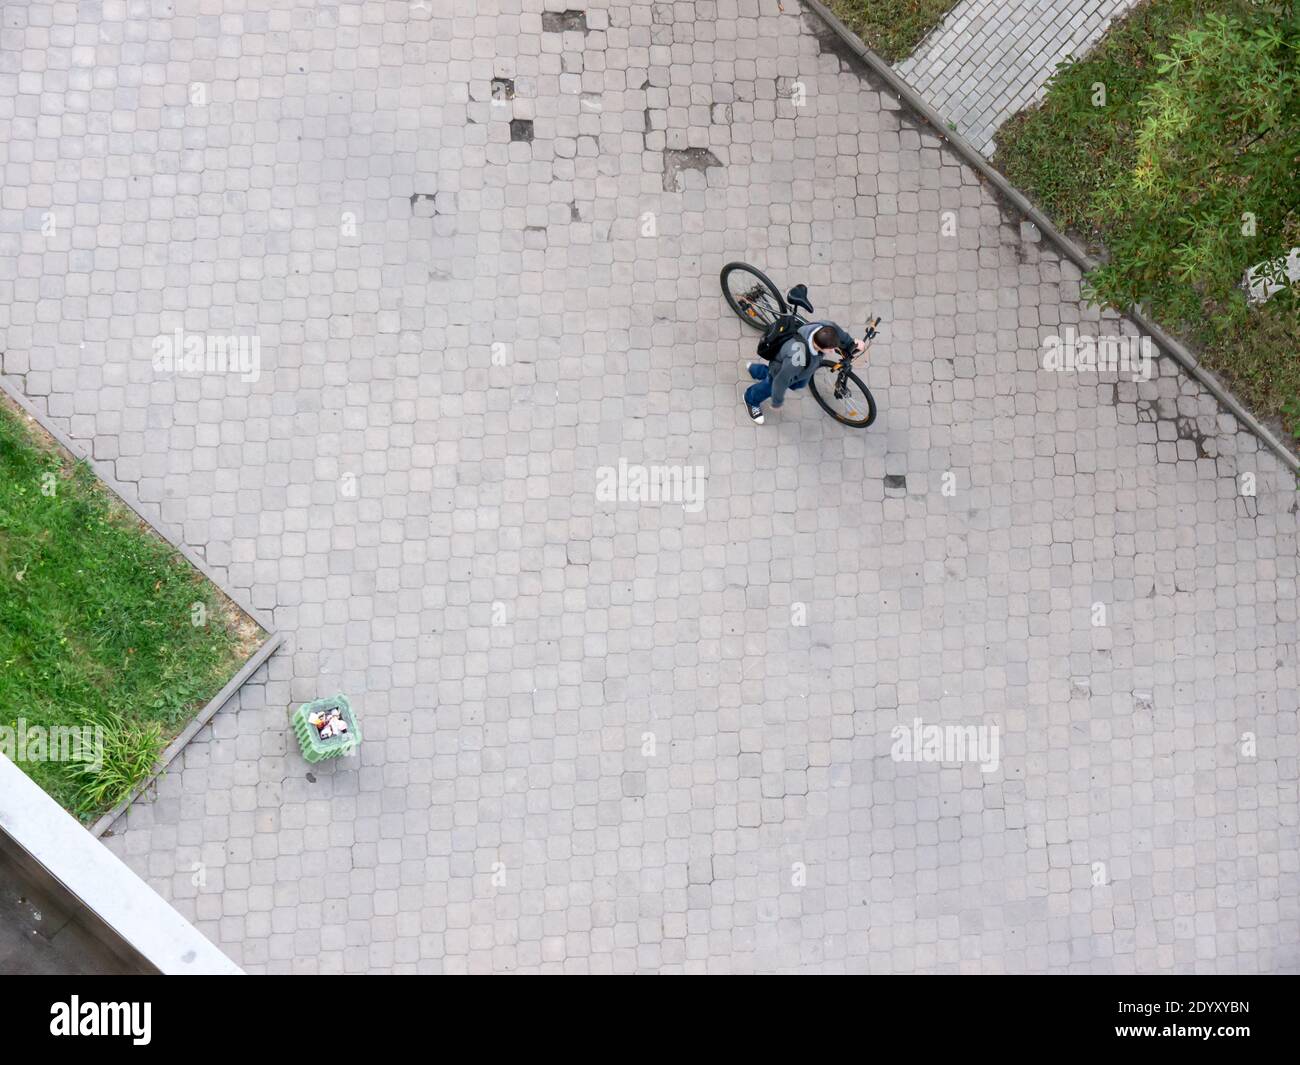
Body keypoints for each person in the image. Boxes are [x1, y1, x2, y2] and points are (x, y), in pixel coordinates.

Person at [744, 321, 864, 424]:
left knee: (799, 384)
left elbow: (837, 331)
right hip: (780, 371)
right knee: (771, 385)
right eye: (830, 349)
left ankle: (755, 369)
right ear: (818, 346)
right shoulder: (798, 359)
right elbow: (781, 381)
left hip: (798, 371)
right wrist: (777, 402)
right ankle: (750, 398)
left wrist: (851, 342)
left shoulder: (825, 327)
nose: (833, 352)